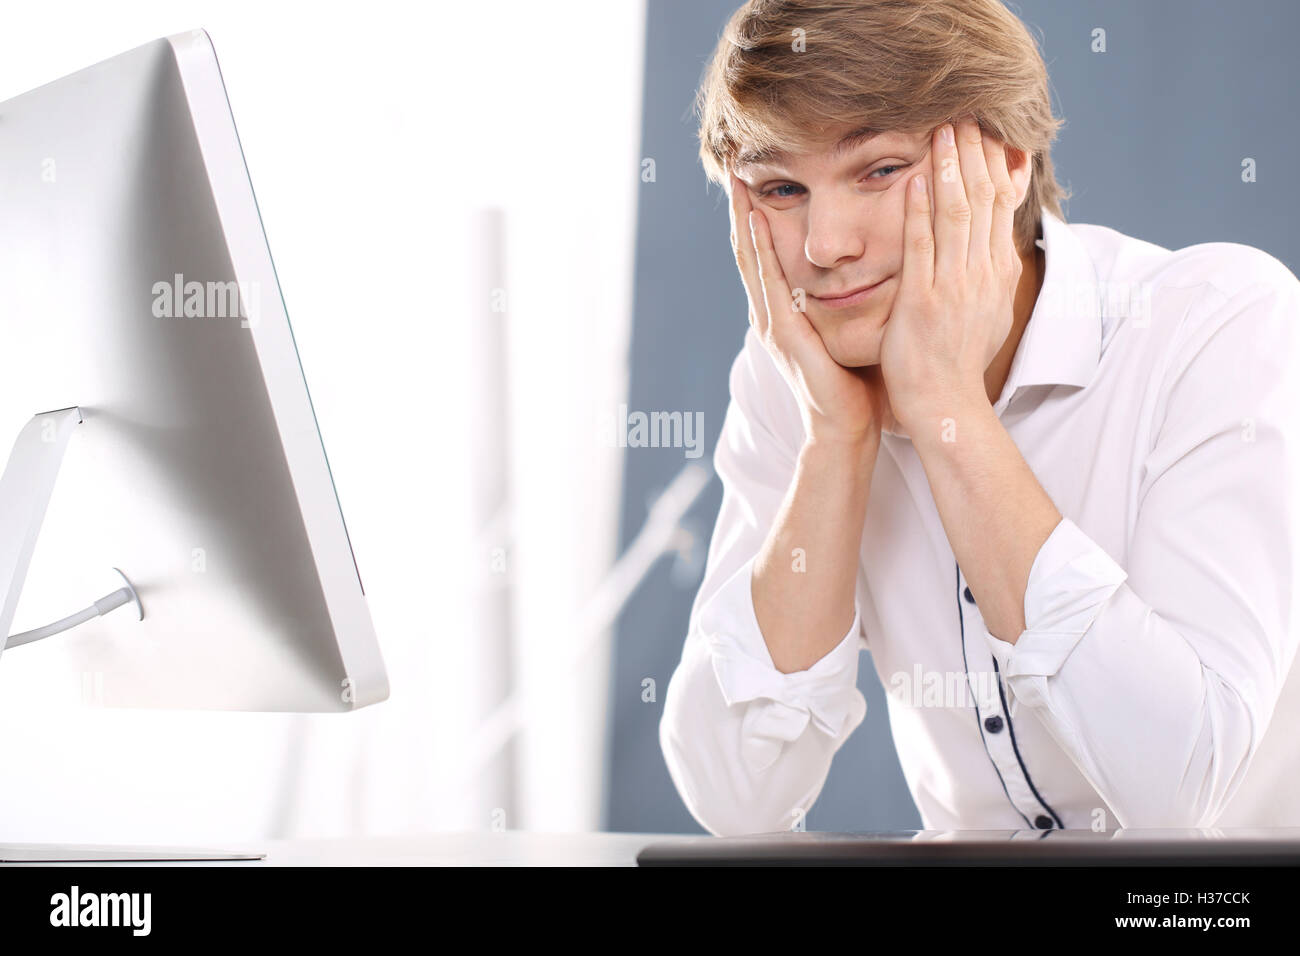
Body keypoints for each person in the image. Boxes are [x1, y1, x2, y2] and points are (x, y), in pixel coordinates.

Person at [659, 0, 1300, 836]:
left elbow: (1178, 791)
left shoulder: (1220, 323)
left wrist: (947, 410)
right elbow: (737, 804)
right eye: (782, 189)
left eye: (878, 170)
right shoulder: (798, 381)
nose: (824, 244)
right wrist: (836, 443)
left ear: (1004, 163)